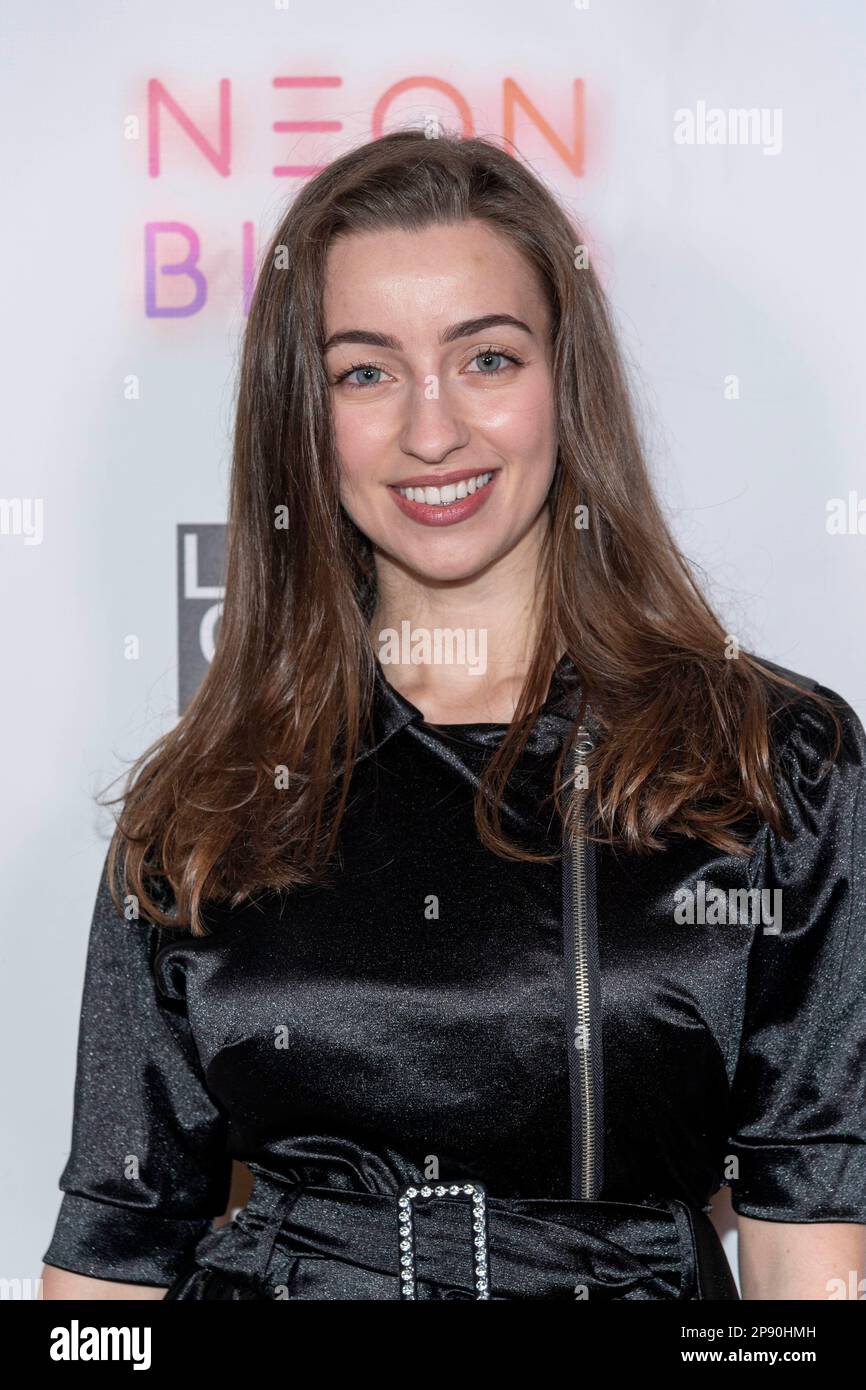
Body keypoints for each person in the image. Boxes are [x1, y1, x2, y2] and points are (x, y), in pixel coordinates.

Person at [42, 129, 866, 1301]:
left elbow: (808, 1240)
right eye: (365, 372)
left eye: (485, 359)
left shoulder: (769, 765)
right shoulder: (210, 799)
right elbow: (112, 1263)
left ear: (562, 379)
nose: (432, 432)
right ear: (303, 416)